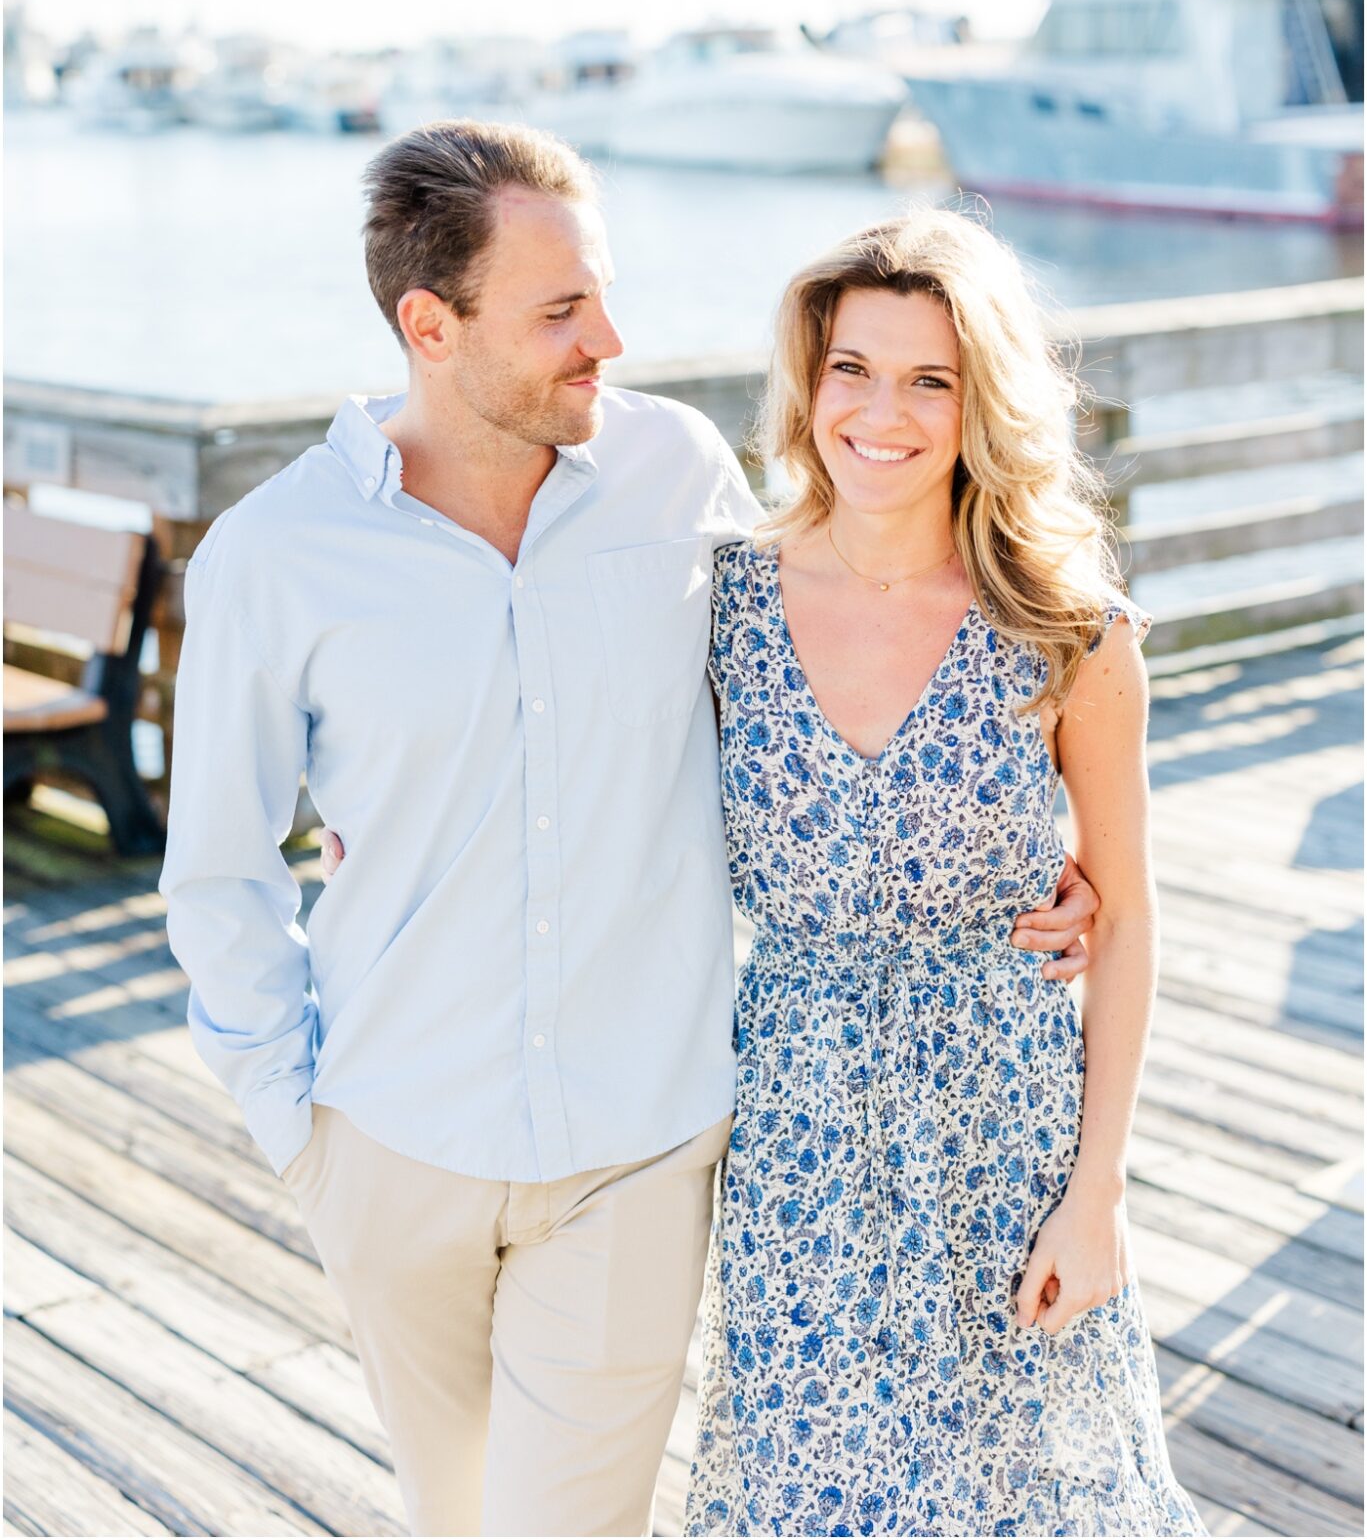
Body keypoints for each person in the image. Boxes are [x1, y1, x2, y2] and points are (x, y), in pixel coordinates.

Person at [160, 123, 1097, 1539]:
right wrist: (300, 1131)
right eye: (559, 314)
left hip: (638, 1149)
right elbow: (221, 873)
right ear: (430, 324)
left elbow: (819, 682)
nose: (610, 337)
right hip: (392, 1138)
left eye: (599, 292)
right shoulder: (275, 558)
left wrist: (1025, 847)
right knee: (456, 1518)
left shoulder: (679, 477)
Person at [683, 211, 1204, 1536]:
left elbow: (1130, 915)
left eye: (932, 379)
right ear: (811, 380)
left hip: (1010, 1133)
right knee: (817, 1496)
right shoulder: (721, 602)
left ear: (984, 402)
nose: (883, 414)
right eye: (854, 368)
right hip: (799, 1133)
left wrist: (1099, 1195)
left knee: (1035, 1501)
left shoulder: (1067, 625)